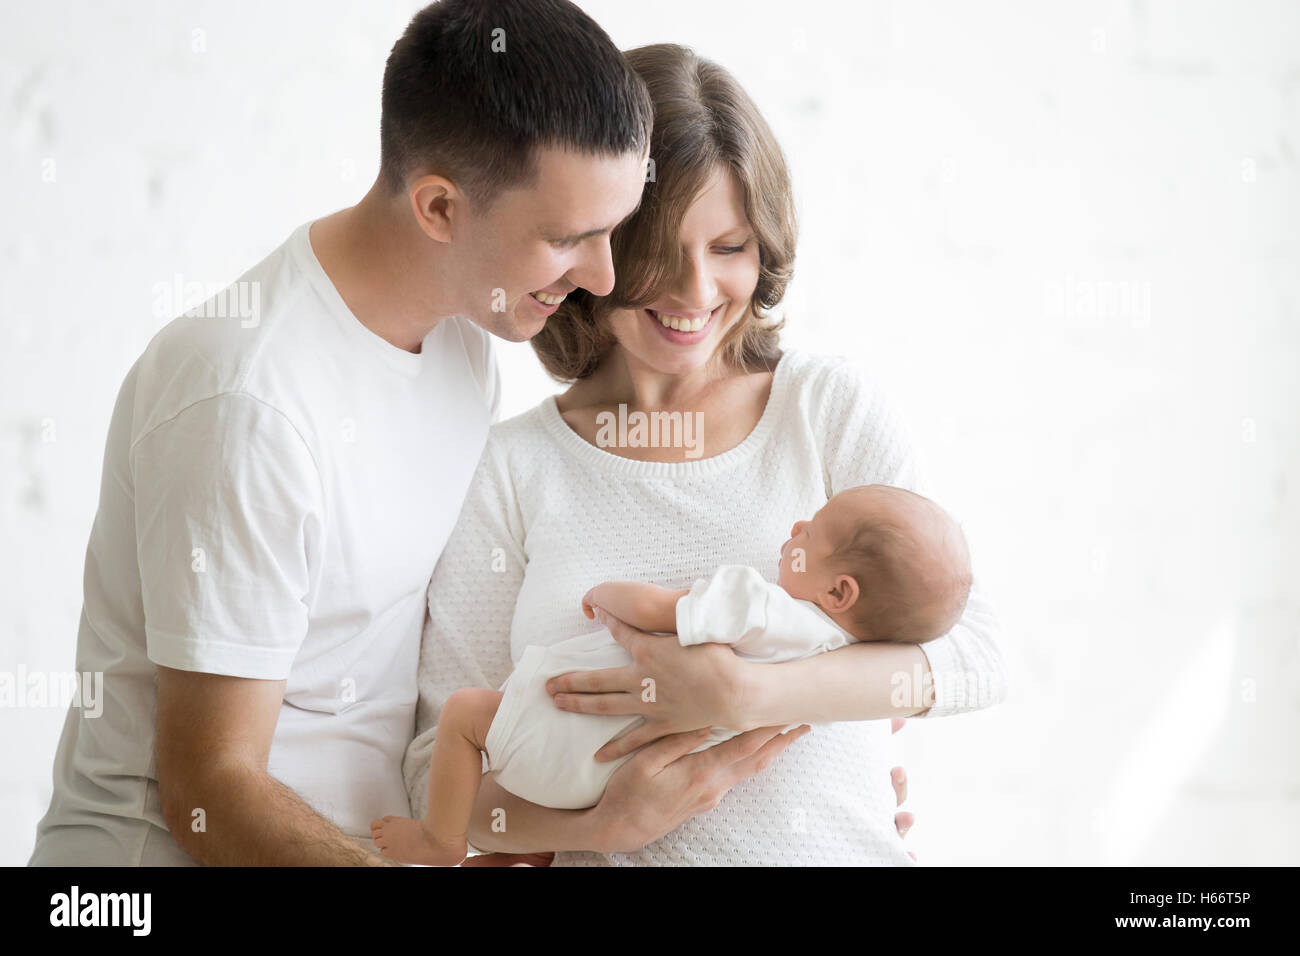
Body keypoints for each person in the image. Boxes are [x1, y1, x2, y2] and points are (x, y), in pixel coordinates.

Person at [27, 0, 654, 867]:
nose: (602, 274)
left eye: (612, 229)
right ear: (438, 207)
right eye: (568, 238)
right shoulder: (249, 402)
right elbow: (211, 787)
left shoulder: (465, 341)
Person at [404, 43, 1009, 866]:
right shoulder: (515, 469)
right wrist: (602, 828)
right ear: (592, 248)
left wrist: (751, 693)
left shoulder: (823, 410)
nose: (695, 292)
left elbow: (973, 656)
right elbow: (435, 764)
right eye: (658, 251)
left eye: (729, 247)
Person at [374, 484, 970, 866]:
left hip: (572, 742)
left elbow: (662, 608)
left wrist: (607, 597)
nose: (793, 532)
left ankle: (440, 841)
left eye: (809, 533)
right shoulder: (843, 662)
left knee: (465, 715)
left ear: (841, 590)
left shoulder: (762, 605)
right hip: (605, 783)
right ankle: (521, 852)